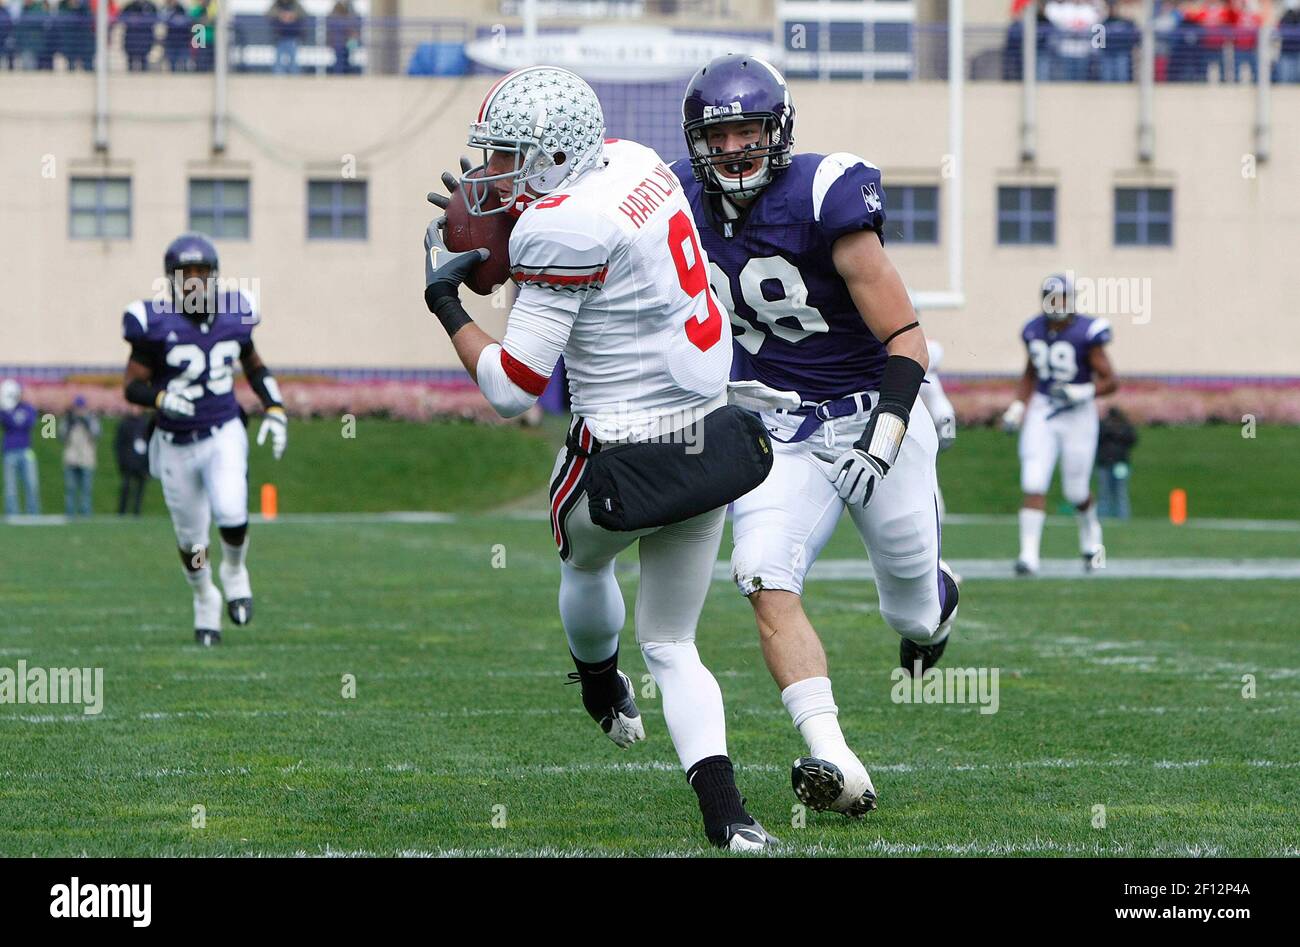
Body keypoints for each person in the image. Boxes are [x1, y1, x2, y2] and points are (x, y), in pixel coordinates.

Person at [424, 66, 775, 852]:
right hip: (708, 435)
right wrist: (511, 220)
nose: (494, 172)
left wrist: (447, 303)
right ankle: (731, 817)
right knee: (675, 643)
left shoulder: (561, 226)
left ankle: (597, 684)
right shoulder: (635, 161)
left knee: (584, 569)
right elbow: (596, 256)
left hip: (621, 455)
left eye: (511, 156)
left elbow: (515, 386)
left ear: (554, 153)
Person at [672, 54, 960, 819]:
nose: (733, 149)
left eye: (748, 131)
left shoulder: (826, 193)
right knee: (763, 572)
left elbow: (905, 337)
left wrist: (887, 434)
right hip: (780, 425)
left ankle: (941, 596)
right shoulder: (674, 199)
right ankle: (834, 756)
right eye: (718, 134)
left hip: (872, 409)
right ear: (695, 142)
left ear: (780, 130)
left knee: (913, 614)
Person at [121, 232, 288, 645]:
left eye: (202, 273)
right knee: (192, 540)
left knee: (232, 510)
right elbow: (132, 387)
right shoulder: (153, 323)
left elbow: (253, 365)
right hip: (176, 443)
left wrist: (275, 407)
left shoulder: (236, 313)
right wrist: (161, 397)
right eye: (185, 273)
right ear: (171, 279)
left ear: (215, 276)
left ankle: (234, 571)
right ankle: (204, 599)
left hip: (223, 430)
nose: (194, 281)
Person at [1001, 273, 1120, 575]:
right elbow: (1030, 373)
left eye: (1062, 297)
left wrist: (1082, 391)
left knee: (1076, 490)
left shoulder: (1087, 332)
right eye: (1052, 298)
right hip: (1043, 409)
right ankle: (1028, 556)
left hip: (1078, 415)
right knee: (1033, 481)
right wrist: (1018, 407)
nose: (1058, 304)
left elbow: (1111, 381)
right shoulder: (1032, 330)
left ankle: (1092, 538)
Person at [920, 338, 958, 521]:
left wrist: (947, 426)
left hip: (917, 430)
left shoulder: (926, 378)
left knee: (926, 471)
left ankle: (935, 512)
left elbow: (939, 402)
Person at [1, 378, 41, 515]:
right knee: (10, 487)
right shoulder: (5, 409)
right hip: (9, 451)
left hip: (26, 450)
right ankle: (12, 515)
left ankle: (33, 514)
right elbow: (8, 422)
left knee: (31, 484)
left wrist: (14, 419)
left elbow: (29, 423)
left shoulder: (28, 408)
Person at [60, 395, 100, 518]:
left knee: (86, 490)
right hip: (71, 458)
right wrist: (70, 423)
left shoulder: (91, 418)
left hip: (86, 459)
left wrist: (86, 423)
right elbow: (61, 437)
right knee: (70, 489)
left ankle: (85, 514)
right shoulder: (68, 419)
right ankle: (70, 514)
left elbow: (97, 434)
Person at [1096, 406, 1137, 519]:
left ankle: (1122, 515)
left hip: (1120, 463)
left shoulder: (1125, 426)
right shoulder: (1103, 425)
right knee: (1104, 491)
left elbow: (1132, 439)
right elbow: (1098, 437)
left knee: (1120, 490)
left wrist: (1118, 431)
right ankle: (1103, 516)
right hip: (1105, 463)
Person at [115, 408, 152, 515]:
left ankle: (137, 511)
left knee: (140, 488)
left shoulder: (145, 423)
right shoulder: (125, 424)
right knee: (126, 486)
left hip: (141, 462)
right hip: (128, 461)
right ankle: (122, 511)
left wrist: (147, 463)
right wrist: (122, 460)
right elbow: (119, 444)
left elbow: (150, 442)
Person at [267, 0, 305, 75]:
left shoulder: (296, 4)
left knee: (293, 59)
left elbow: (303, 15)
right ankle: (277, 77)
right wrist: (280, 15)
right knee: (278, 59)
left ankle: (295, 76)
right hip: (280, 37)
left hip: (293, 37)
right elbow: (268, 14)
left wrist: (293, 15)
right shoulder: (276, 4)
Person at [120, 0, 158, 71]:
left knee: (144, 60)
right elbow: (122, 18)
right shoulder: (129, 6)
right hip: (131, 38)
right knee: (130, 61)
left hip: (145, 38)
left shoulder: (150, 6)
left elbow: (155, 19)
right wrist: (131, 20)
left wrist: (142, 20)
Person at [325, 0, 359, 75]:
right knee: (341, 61)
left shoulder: (337, 17)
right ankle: (341, 75)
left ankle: (341, 75)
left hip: (343, 42)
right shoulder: (339, 17)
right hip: (340, 42)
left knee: (343, 60)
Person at [161, 0, 190, 71]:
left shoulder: (182, 8)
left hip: (182, 40)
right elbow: (163, 19)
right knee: (171, 61)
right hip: (171, 40)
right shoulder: (166, 9)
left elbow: (188, 20)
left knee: (183, 60)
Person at [1282, 0, 1300, 83]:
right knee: (1286, 78)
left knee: (1296, 78)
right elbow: (1281, 30)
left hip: (1297, 50)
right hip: (1286, 51)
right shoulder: (1285, 16)